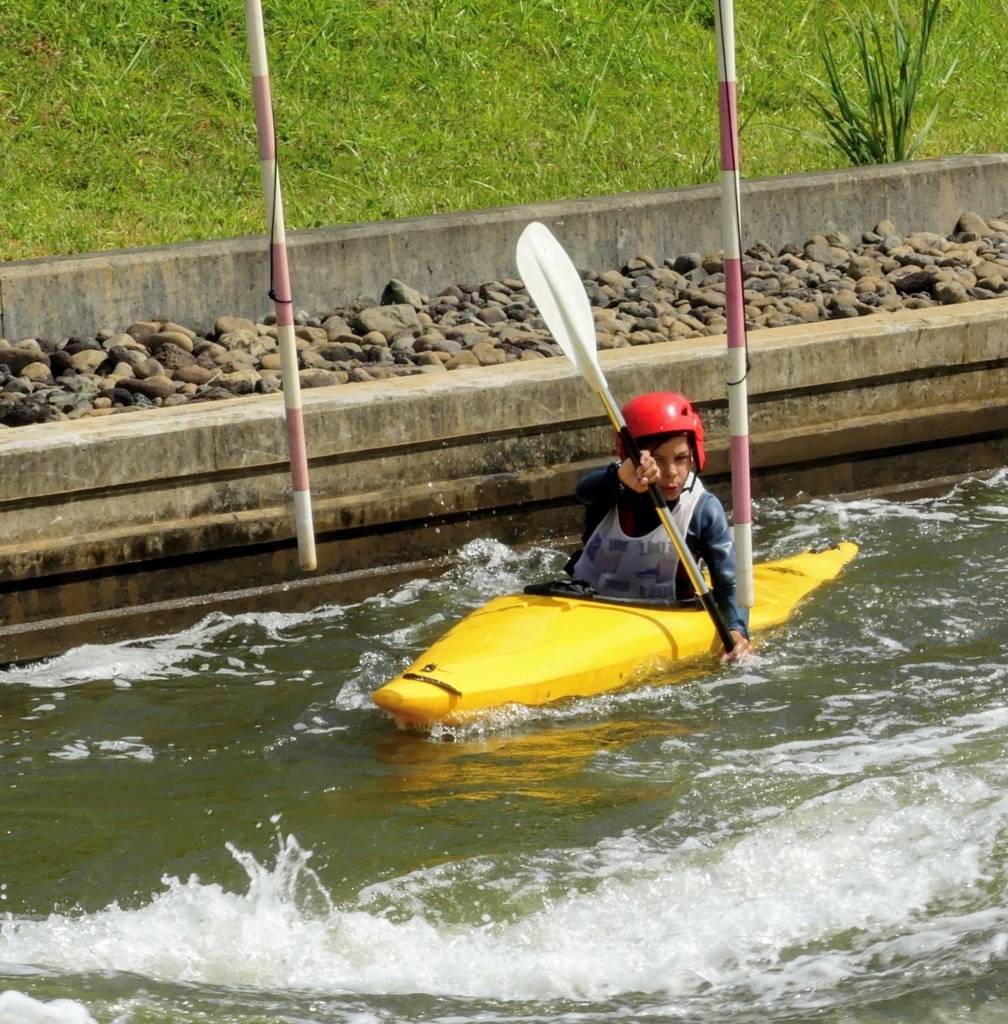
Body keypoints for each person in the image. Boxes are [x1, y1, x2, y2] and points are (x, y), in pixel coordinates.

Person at [567, 391, 753, 661]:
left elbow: (729, 586)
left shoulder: (703, 510)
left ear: (694, 456)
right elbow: (582, 491)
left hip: (665, 617)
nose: (671, 472)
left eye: (681, 458)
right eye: (658, 459)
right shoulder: (615, 486)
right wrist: (619, 476)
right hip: (585, 609)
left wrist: (736, 629)